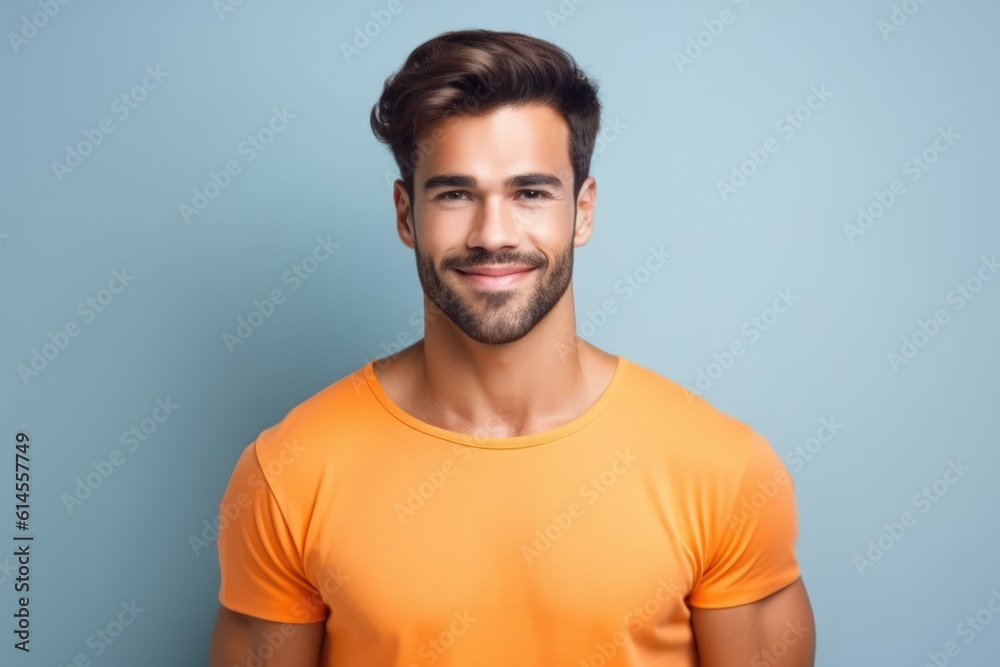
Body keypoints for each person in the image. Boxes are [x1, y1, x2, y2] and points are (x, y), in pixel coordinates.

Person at [209, 28, 815, 667]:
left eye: (530, 192)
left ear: (582, 211)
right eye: (455, 193)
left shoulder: (722, 468)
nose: (491, 234)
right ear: (405, 214)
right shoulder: (287, 472)